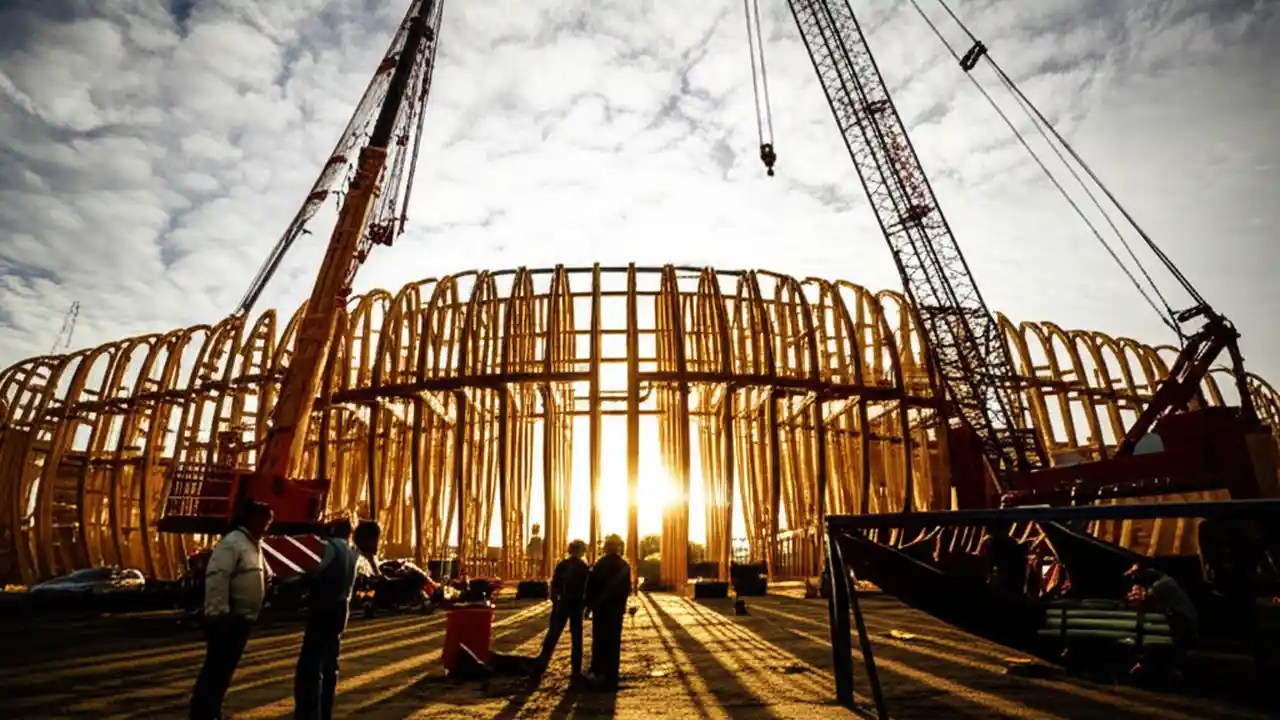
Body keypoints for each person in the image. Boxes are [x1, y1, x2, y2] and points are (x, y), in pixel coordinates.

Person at [190, 500, 273, 720]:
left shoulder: (254, 544)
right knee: (216, 670)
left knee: (224, 671)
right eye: (265, 521)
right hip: (228, 620)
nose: (267, 526)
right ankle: (203, 713)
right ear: (251, 519)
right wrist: (217, 613)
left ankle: (212, 709)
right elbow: (218, 576)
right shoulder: (233, 543)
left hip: (243, 620)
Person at [293, 518, 361, 720]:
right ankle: (325, 711)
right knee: (331, 662)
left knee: (311, 664)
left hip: (324, 608)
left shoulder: (331, 548)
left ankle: (308, 713)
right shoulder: (352, 553)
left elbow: (315, 570)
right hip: (342, 608)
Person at [538, 539, 590, 680]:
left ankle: (541, 665)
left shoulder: (562, 565)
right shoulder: (583, 567)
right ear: (582, 552)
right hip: (576, 605)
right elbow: (587, 588)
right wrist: (587, 605)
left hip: (561, 605)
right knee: (577, 638)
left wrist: (555, 600)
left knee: (553, 635)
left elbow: (554, 585)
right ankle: (576, 670)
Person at [585, 534, 631, 688]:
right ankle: (612, 673)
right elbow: (626, 589)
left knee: (599, 639)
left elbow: (591, 587)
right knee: (613, 640)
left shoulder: (599, 564)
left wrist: (589, 606)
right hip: (615, 608)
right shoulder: (624, 565)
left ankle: (598, 670)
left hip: (600, 608)